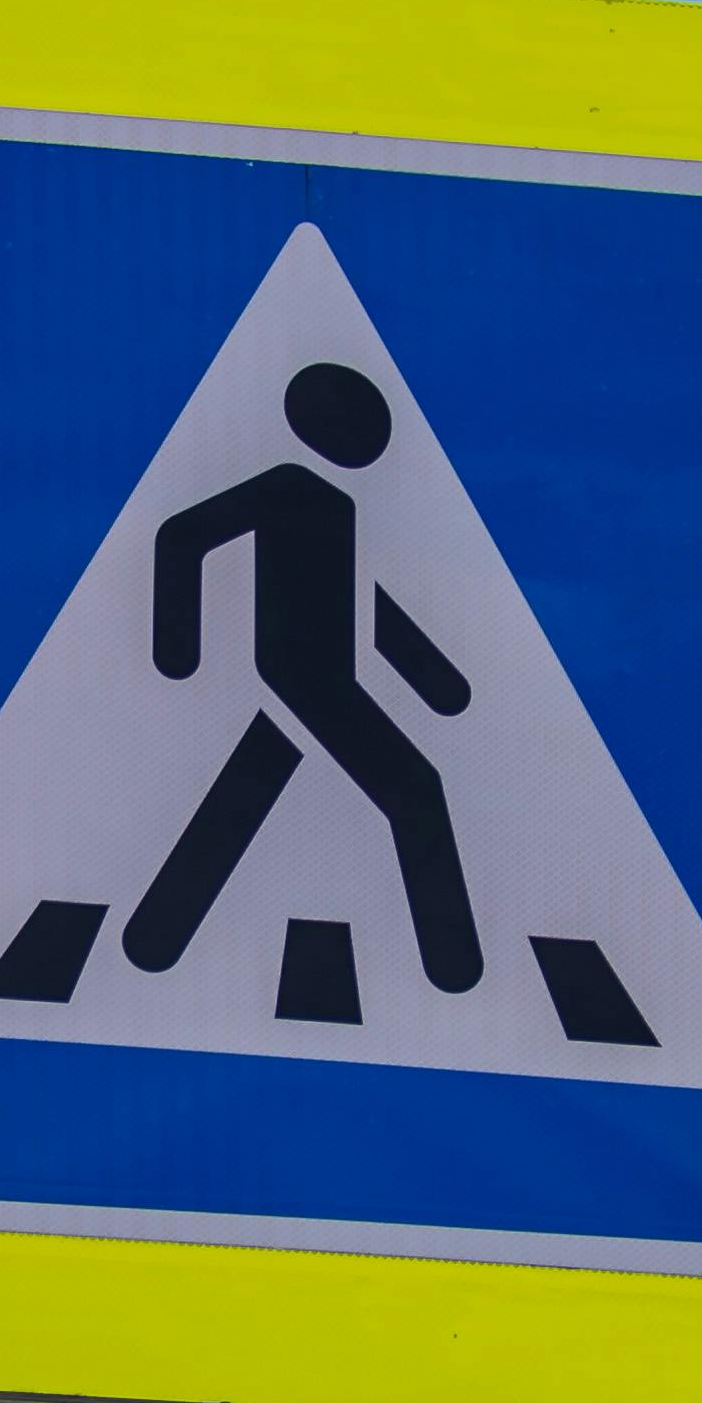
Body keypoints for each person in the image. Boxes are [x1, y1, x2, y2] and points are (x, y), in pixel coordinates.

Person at [126, 358, 485, 993]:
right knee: (416, 792)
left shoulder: (334, 504)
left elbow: (362, 606)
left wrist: (439, 682)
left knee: (245, 792)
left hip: (318, 677)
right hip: (300, 676)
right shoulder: (286, 485)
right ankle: (456, 972)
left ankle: (151, 941)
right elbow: (183, 537)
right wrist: (177, 651)